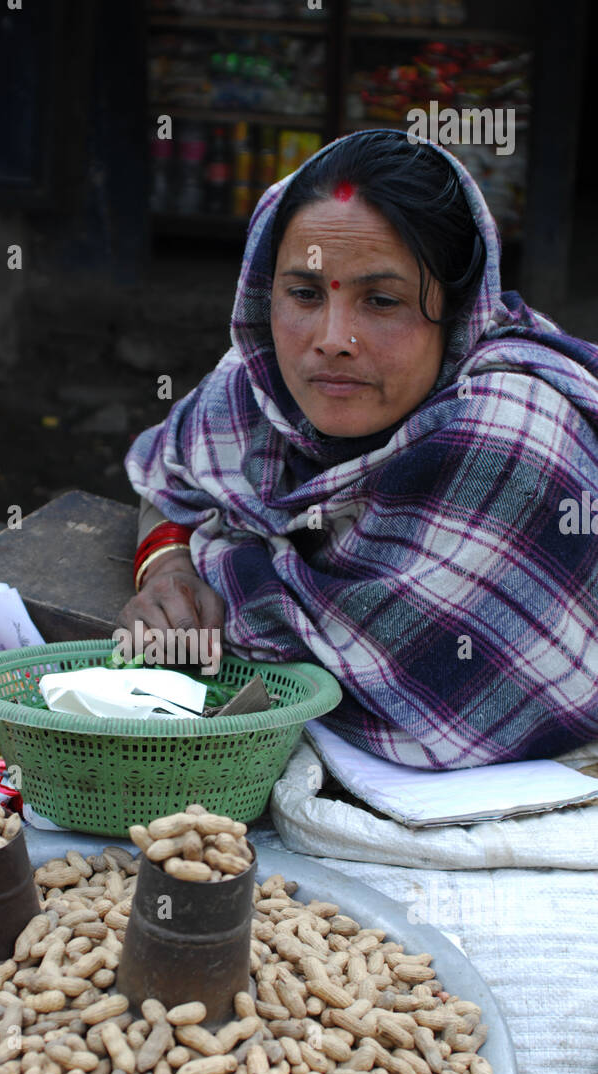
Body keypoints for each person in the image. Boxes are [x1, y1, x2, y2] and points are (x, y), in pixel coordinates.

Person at [120, 129, 598, 769]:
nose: (333, 339)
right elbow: (167, 481)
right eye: (305, 293)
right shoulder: (251, 390)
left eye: (381, 300)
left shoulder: (511, 436)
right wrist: (169, 565)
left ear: (456, 310)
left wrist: (221, 571)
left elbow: (443, 686)